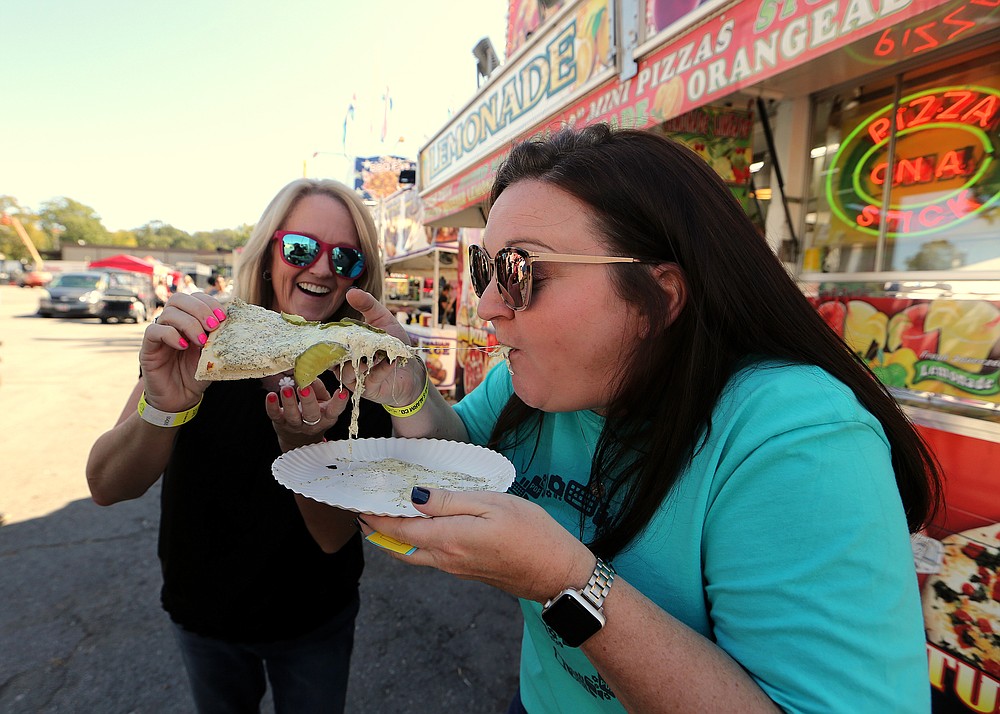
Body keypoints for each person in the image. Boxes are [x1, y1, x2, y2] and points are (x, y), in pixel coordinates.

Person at [334, 124, 942, 713]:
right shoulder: (528, 386)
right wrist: (410, 394)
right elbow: (457, 458)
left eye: (520, 270)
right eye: (483, 270)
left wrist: (568, 582)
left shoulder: (797, 440)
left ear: (660, 296)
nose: (489, 305)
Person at [86, 178, 392, 713]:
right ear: (269, 252)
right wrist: (165, 407)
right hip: (205, 613)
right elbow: (107, 486)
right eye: (301, 248)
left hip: (315, 617)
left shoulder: (367, 369)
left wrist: (301, 445)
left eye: (346, 258)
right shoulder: (205, 341)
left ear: (361, 275)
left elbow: (334, 538)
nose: (322, 269)